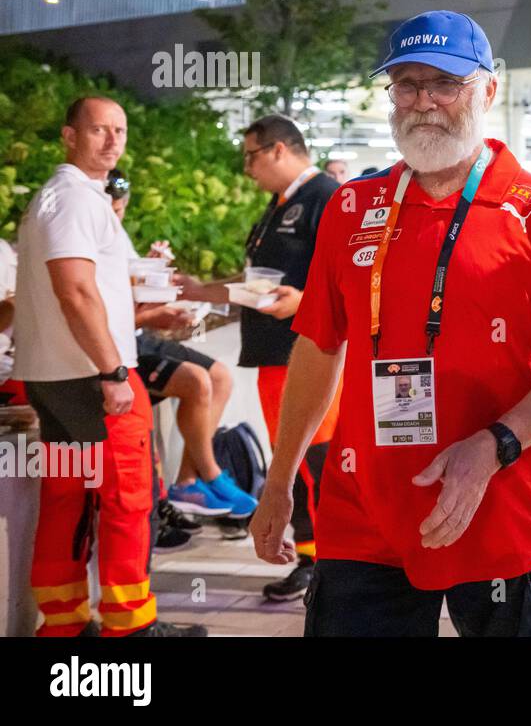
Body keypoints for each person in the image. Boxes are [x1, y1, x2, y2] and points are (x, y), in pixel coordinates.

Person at [249, 10, 531, 637]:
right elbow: (319, 348)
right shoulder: (353, 206)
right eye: (406, 84)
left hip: (498, 508)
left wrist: (495, 445)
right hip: (363, 510)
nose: (424, 102)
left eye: (445, 82)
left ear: (488, 90)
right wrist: (278, 481)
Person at [14, 96, 203, 636]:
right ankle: (131, 626)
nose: (113, 140)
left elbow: (90, 289)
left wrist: (147, 315)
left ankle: (64, 623)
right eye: (99, 129)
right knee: (126, 498)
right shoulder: (75, 199)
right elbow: (73, 291)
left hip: (56, 377)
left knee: (68, 500)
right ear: (69, 136)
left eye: (119, 130)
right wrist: (114, 371)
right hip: (94, 379)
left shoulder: (67, 198)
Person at [179, 115, 340, 600]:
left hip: (313, 355)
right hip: (274, 357)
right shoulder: (276, 207)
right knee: (292, 464)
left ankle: (335, 566)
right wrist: (198, 290)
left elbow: (353, 276)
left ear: (277, 150)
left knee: (320, 461)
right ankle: (312, 558)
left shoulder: (327, 197)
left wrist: (306, 299)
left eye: (250, 156)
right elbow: (255, 285)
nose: (246, 168)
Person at [107, 170, 257, 520]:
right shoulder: (86, 238)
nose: (115, 214)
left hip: (140, 334)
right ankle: (211, 473)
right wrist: (156, 311)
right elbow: (108, 312)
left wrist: (152, 268)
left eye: (120, 209)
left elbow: (131, 292)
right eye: (110, 208)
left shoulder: (115, 236)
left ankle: (188, 481)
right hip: (121, 347)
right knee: (196, 381)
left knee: (220, 376)